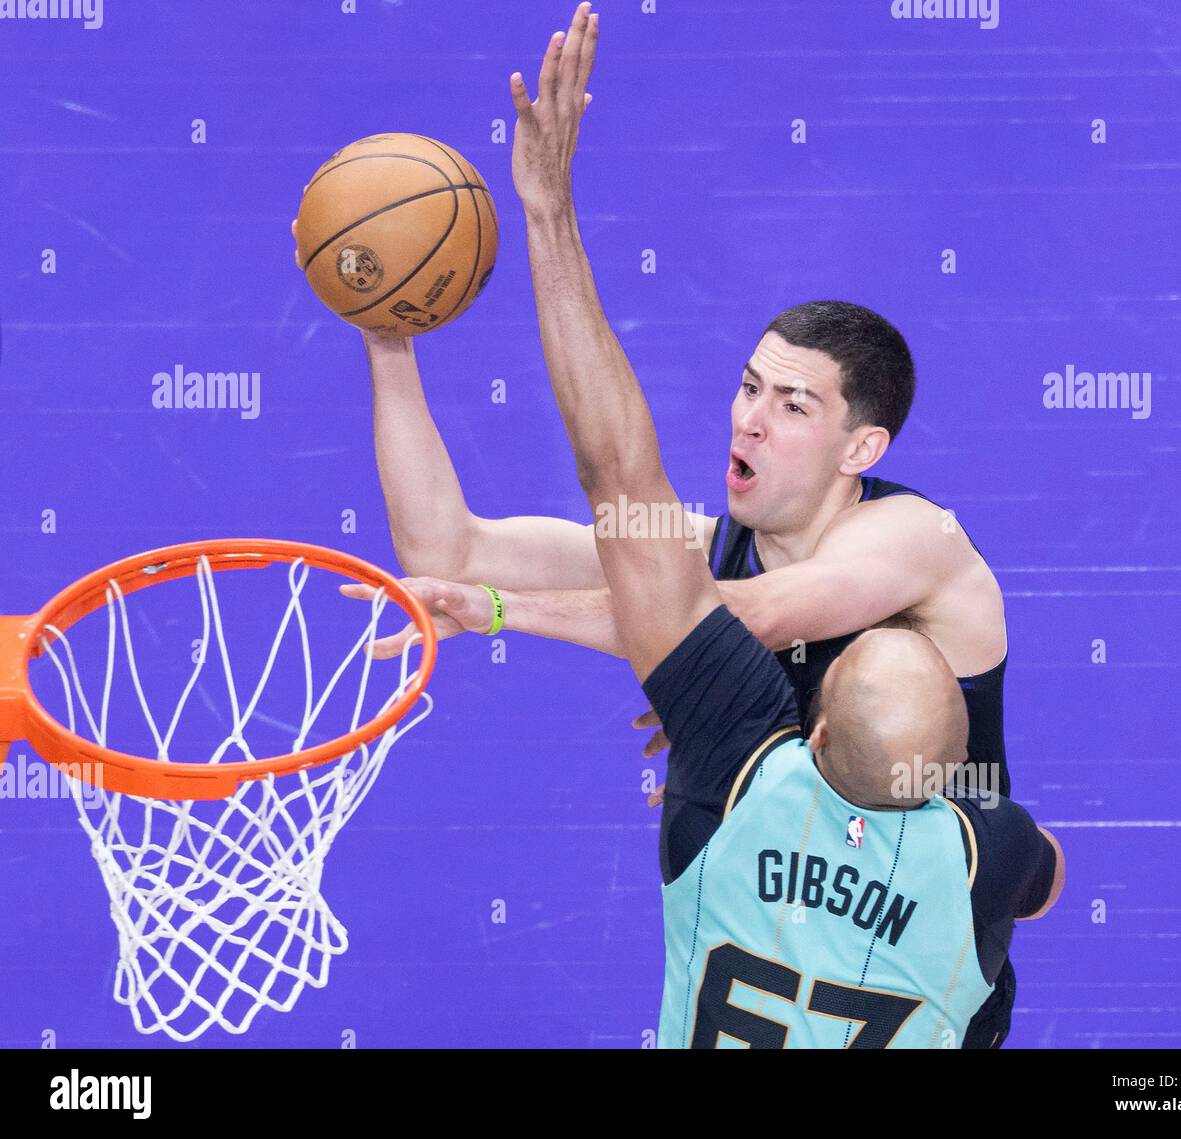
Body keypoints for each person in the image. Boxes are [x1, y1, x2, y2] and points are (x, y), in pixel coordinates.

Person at [320, 1, 1015, 1046]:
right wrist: (388, 338)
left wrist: (508, 610)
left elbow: (733, 615)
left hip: (912, 937)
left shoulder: (915, 541)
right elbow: (444, 550)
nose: (748, 416)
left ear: (860, 450)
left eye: (793, 404)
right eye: (746, 387)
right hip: (772, 925)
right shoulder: (700, 541)